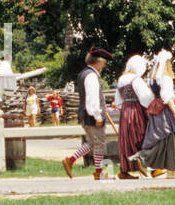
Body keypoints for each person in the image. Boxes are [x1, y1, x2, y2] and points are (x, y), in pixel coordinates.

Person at [134, 50, 175, 179]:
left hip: (157, 110)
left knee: (165, 141)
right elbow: (167, 97)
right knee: (171, 139)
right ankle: (144, 157)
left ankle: (170, 171)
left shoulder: (153, 78)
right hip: (166, 111)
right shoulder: (166, 77)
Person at [63, 47, 114, 180]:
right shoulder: (91, 76)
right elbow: (92, 98)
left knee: (91, 143)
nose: (104, 65)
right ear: (98, 62)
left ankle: (71, 160)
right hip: (92, 115)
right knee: (99, 144)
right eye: (103, 62)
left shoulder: (83, 73)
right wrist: (97, 116)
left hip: (85, 114)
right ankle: (99, 172)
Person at [115, 55, 151, 179]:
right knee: (141, 135)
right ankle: (151, 167)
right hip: (136, 109)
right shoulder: (136, 79)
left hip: (125, 110)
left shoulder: (121, 79)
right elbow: (146, 97)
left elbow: (118, 100)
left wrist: (124, 107)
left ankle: (124, 170)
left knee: (126, 139)